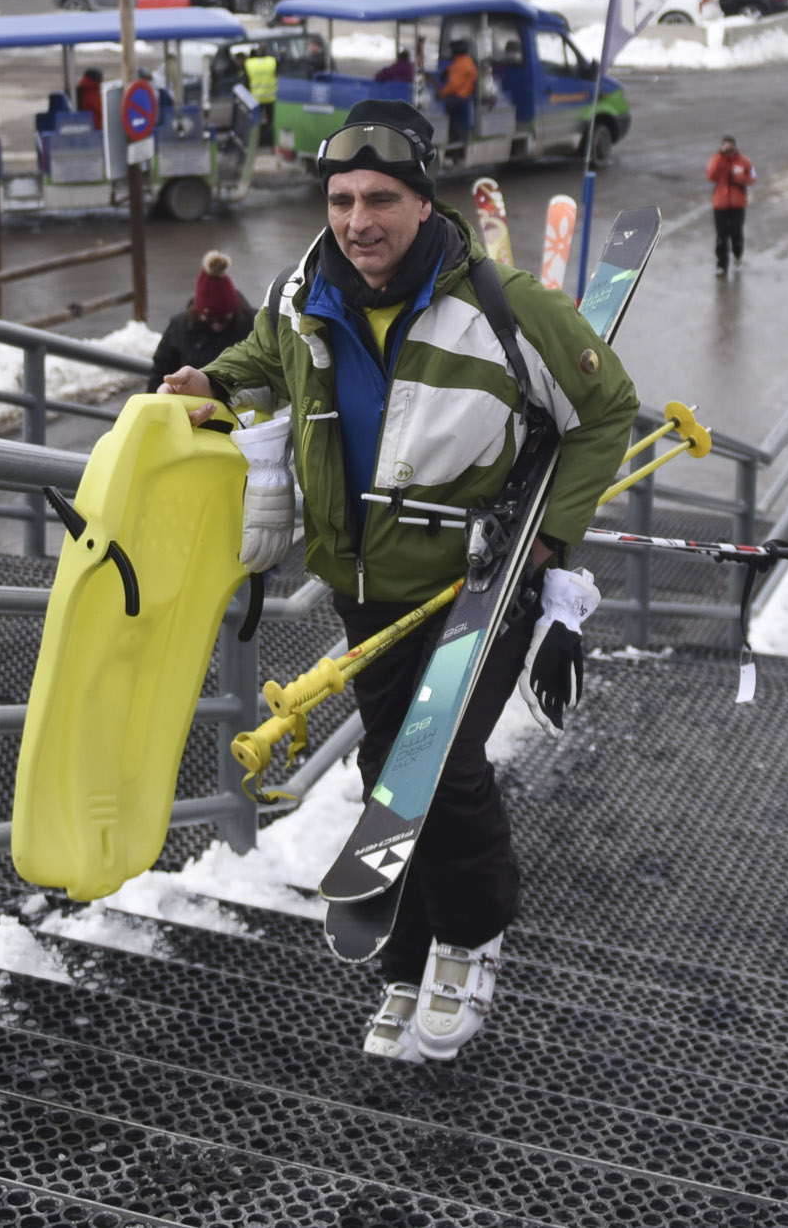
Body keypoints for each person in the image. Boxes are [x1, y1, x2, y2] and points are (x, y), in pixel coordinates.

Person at [162, 101, 634, 1066]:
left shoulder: (500, 306)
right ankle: (408, 950)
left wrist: (547, 539)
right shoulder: (304, 294)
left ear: (424, 203)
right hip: (366, 587)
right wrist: (210, 382)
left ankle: (470, 935)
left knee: (443, 769)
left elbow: (606, 408)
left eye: (381, 197)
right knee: (392, 776)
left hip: (480, 583)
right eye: (341, 199)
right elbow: (265, 357)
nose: (357, 219)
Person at [148, 250, 253, 384]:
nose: (217, 326)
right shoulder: (179, 327)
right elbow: (160, 370)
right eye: (210, 320)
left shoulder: (253, 325)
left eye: (223, 320)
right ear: (198, 314)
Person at [706, 136, 757, 277]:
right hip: (720, 204)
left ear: (735, 147)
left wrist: (740, 178)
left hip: (737, 204)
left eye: (731, 147)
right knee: (721, 236)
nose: (728, 150)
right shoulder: (717, 160)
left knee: (736, 233)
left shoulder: (744, 161)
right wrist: (719, 157)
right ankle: (721, 264)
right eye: (726, 148)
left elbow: (753, 177)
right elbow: (710, 175)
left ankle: (738, 255)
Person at [438, 38, 481, 145]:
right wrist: (447, 71)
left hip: (459, 96)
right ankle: (454, 135)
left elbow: (454, 85)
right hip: (465, 96)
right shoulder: (466, 60)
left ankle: (448, 135)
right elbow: (454, 69)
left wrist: (441, 93)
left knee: (440, 107)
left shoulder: (461, 64)